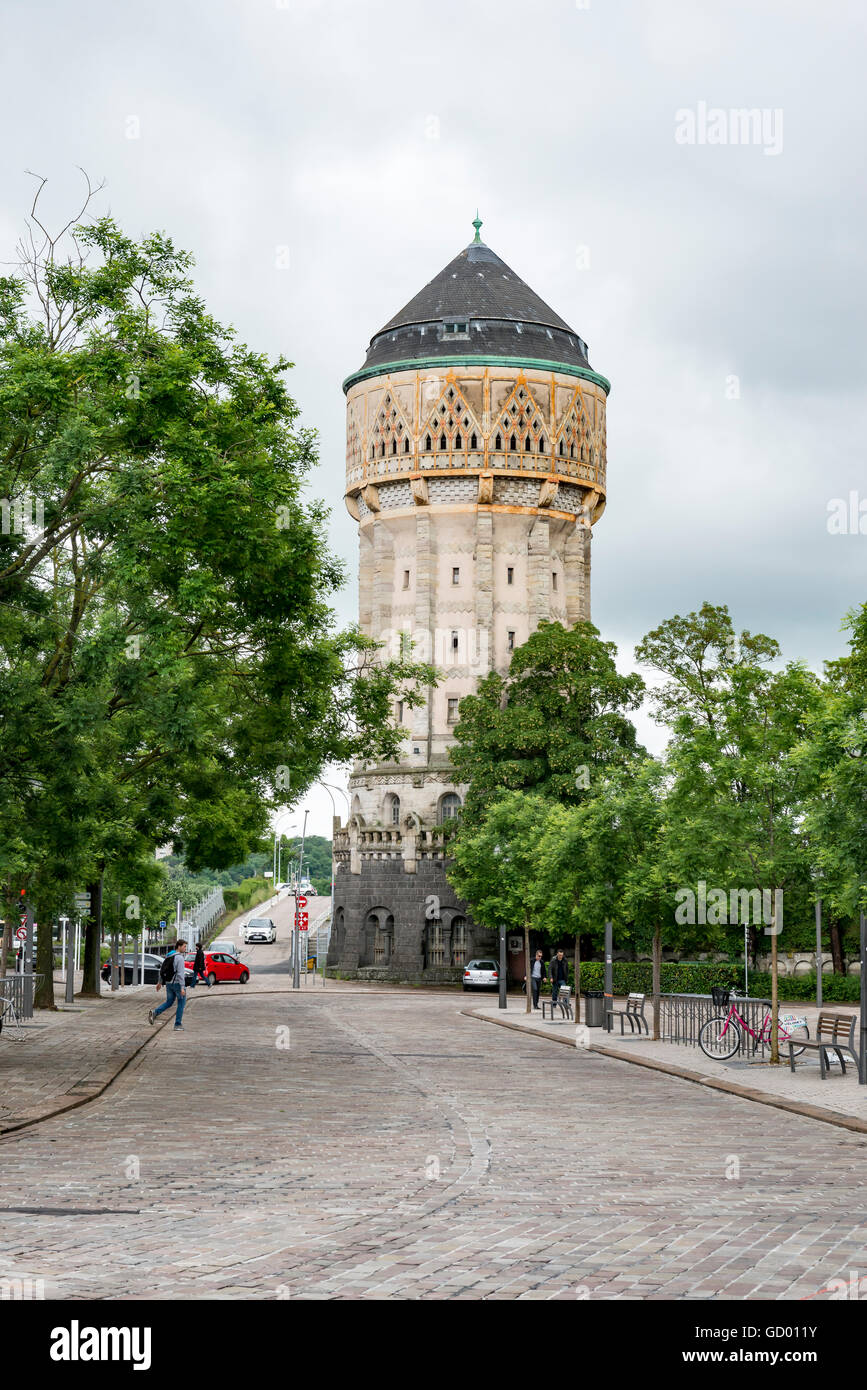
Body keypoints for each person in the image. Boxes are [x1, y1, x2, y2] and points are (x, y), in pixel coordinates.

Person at [149, 939, 188, 1030]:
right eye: (184, 946)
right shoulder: (179, 958)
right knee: (181, 1003)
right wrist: (182, 987)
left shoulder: (168, 956)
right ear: (179, 946)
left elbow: (162, 970)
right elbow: (180, 974)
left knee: (169, 1002)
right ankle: (177, 1024)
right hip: (177, 984)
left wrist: (160, 982)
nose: (185, 948)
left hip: (168, 983)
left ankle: (155, 1012)